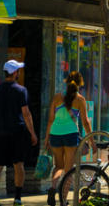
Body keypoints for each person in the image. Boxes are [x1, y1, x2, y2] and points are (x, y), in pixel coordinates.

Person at [0, 59, 38, 206]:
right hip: (18, 133)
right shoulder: (21, 90)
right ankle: (17, 198)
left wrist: (2, 125)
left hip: (0, 133)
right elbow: (26, 114)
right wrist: (32, 133)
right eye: (18, 70)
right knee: (18, 165)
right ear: (15, 73)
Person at [44, 72, 93, 206]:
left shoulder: (57, 98)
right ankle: (63, 201)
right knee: (69, 170)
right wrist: (92, 141)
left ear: (66, 83)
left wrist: (46, 138)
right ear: (79, 85)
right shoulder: (80, 100)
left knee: (58, 167)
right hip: (70, 135)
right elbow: (85, 122)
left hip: (55, 134)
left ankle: (53, 188)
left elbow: (50, 120)